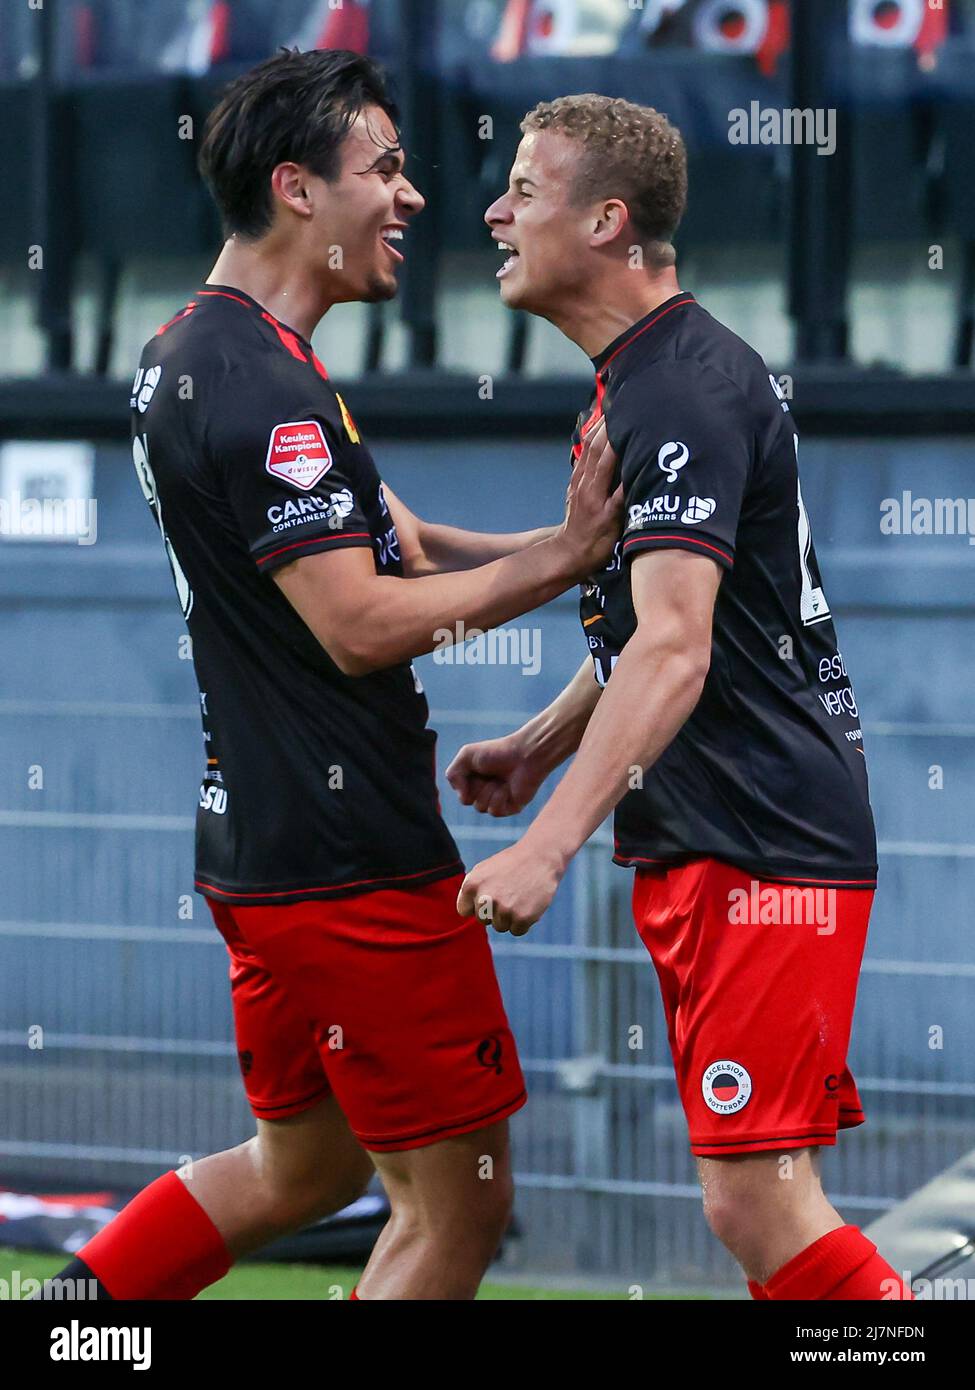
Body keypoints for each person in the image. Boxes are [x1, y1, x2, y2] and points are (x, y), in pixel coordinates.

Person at [35, 52, 620, 1303]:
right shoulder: (259, 383)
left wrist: (603, 548)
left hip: (257, 847)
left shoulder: (201, 348)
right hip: (349, 856)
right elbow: (362, 620)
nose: (412, 198)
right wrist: (567, 555)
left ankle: (66, 1324)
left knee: (304, 1165)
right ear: (297, 188)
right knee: (462, 1202)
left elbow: (402, 545)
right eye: (387, 169)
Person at [450, 93, 913, 1300]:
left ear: (608, 221)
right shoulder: (646, 379)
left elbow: (675, 651)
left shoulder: (679, 388)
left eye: (524, 192)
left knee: (753, 1199)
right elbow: (659, 631)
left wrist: (548, 849)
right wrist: (546, 744)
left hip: (762, 838)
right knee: (766, 1194)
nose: (494, 213)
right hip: (733, 830)